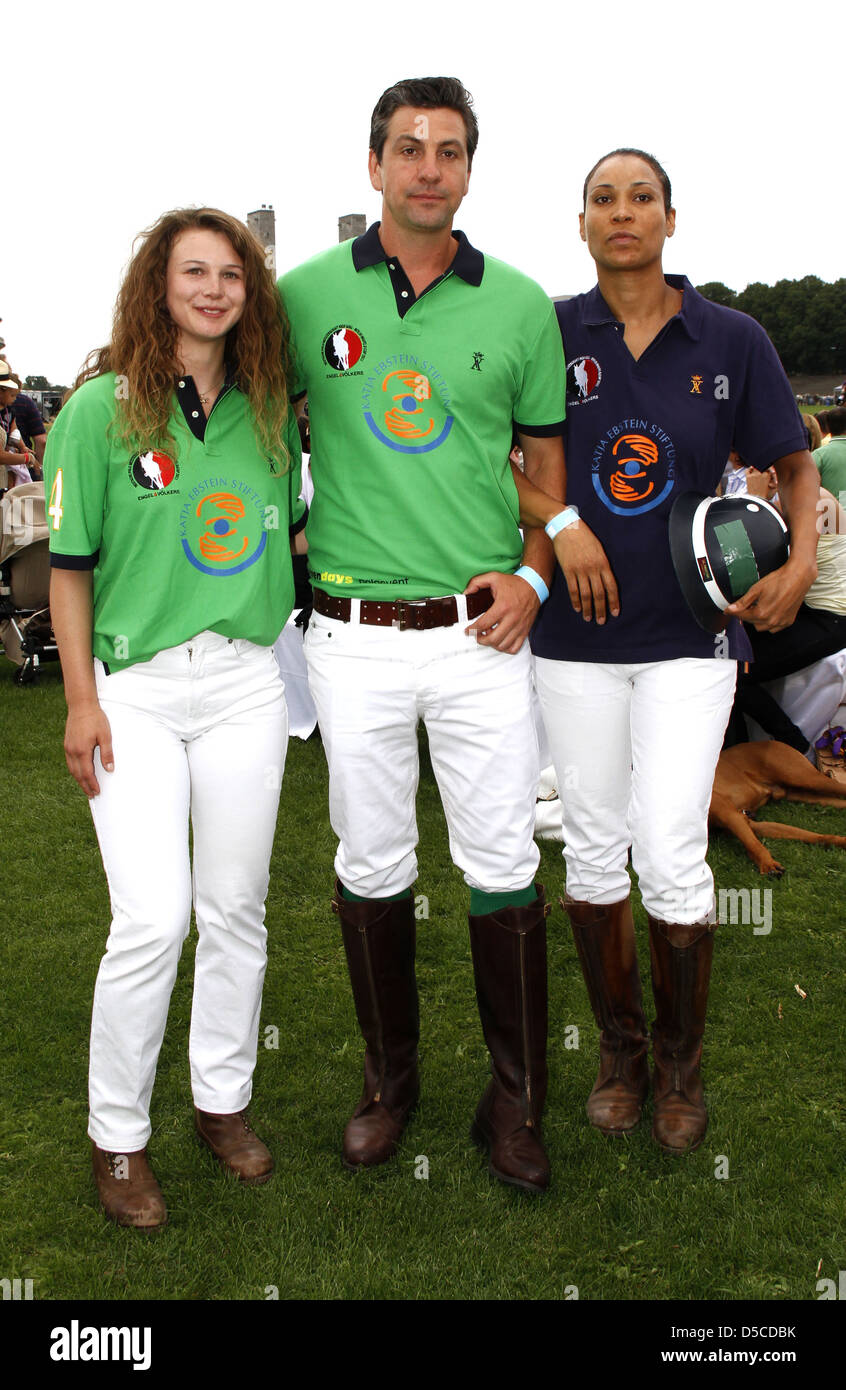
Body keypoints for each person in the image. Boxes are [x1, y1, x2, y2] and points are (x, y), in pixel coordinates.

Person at [278, 76, 575, 1194]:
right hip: (350, 636)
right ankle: (389, 1087)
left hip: (482, 635)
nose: (429, 166)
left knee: (501, 862)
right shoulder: (303, 293)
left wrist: (535, 579)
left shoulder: (521, 306)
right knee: (371, 861)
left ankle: (517, 1104)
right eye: (408, 147)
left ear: (468, 169)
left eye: (449, 149)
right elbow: (251, 417)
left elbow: (544, 474)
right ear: (374, 167)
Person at [531, 149, 820, 1153]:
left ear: (669, 218)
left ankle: (681, 1067)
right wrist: (562, 522)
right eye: (604, 200)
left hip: (691, 641)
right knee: (595, 848)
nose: (623, 214)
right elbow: (502, 461)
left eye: (640, 198)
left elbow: (794, 461)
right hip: (572, 642)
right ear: (581, 224)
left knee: (670, 849)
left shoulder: (731, 336)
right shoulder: (550, 330)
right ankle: (620, 1053)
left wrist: (798, 563)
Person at [43, 208, 305, 1228]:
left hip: (245, 682)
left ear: (250, 292)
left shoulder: (274, 407)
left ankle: (221, 1101)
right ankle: (118, 1140)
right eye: (193, 270)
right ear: (159, 284)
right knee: (154, 916)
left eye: (231, 273)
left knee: (236, 908)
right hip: (133, 693)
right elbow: (69, 573)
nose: (213, 288)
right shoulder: (99, 408)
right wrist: (78, 701)